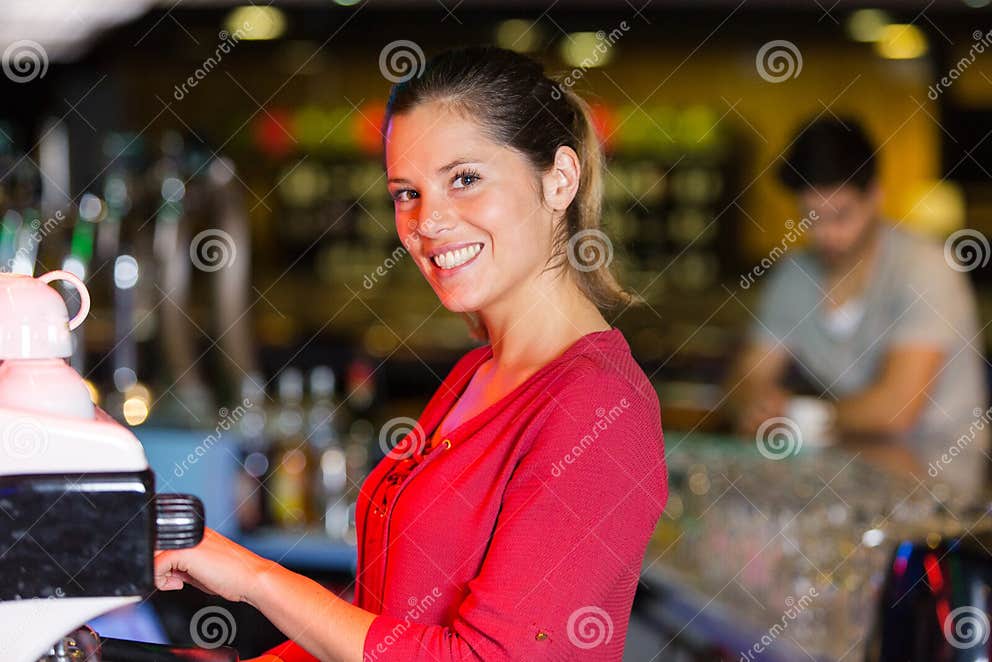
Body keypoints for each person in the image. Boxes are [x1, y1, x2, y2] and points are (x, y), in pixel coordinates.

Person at [155, 46, 668, 661]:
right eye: (406, 193)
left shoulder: (599, 406)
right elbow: (391, 616)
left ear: (559, 178)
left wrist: (256, 579)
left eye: (465, 179)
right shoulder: (474, 374)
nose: (428, 221)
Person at [727, 116, 989, 496]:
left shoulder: (926, 268)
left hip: (945, 488)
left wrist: (799, 415)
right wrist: (753, 405)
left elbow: (896, 409)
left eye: (841, 215)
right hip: (854, 484)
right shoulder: (794, 276)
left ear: (876, 197)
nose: (826, 234)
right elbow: (746, 377)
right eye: (811, 217)